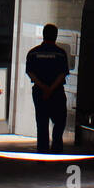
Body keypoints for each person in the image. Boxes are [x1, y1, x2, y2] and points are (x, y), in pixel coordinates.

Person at [25, 24, 70, 154]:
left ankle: (42, 151)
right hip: (57, 92)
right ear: (55, 36)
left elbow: (30, 72)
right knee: (60, 121)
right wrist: (51, 89)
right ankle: (56, 147)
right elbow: (63, 73)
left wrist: (43, 87)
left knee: (42, 122)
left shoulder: (33, 53)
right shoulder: (60, 53)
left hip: (39, 92)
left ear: (43, 35)